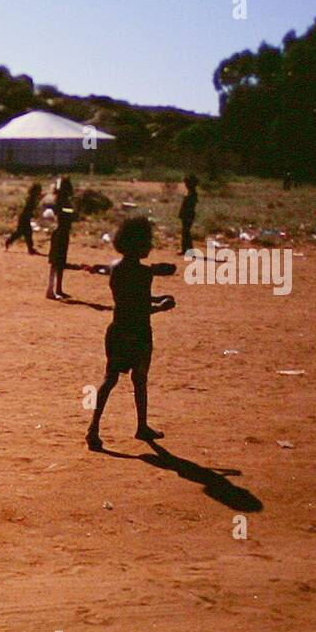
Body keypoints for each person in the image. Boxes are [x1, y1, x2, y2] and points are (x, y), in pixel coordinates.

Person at [86, 216, 177, 450]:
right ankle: (141, 425)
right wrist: (162, 306)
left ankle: (93, 428)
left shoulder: (116, 267)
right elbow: (142, 306)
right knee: (140, 380)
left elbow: (128, 300)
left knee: (109, 380)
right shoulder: (144, 274)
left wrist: (156, 298)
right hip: (138, 331)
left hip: (117, 329)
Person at [46, 176, 75, 299]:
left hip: (62, 233)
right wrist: (73, 212)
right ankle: (51, 289)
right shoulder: (61, 201)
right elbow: (66, 213)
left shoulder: (62, 200)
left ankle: (58, 288)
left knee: (60, 262)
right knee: (56, 262)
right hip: (60, 233)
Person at [4, 182, 43, 255]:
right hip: (25, 217)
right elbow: (29, 209)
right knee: (25, 232)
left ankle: (10, 242)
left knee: (23, 232)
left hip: (24, 217)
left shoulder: (32, 197)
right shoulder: (32, 198)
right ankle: (29, 248)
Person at [178, 174, 199, 255]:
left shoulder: (193, 194)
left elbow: (189, 206)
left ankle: (187, 250)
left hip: (188, 215)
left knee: (186, 232)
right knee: (185, 232)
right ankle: (187, 250)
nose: (186, 185)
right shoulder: (190, 192)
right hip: (186, 215)